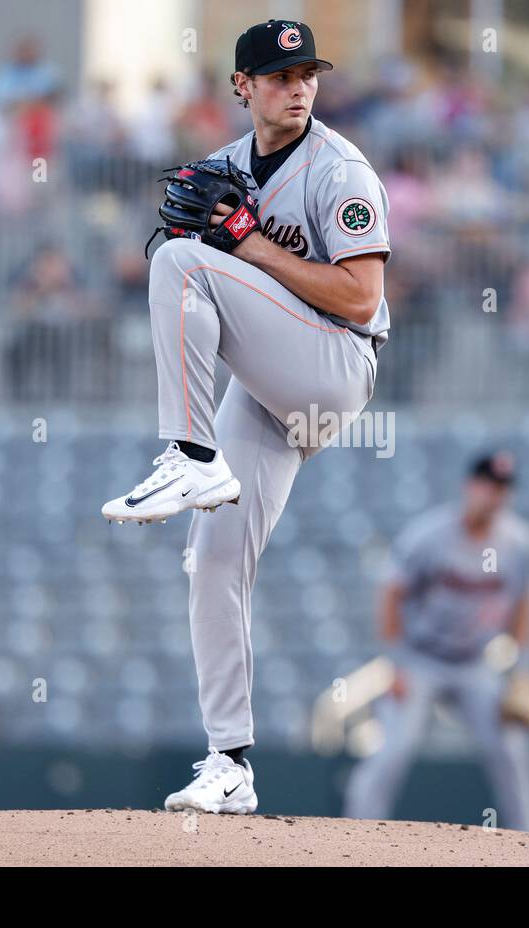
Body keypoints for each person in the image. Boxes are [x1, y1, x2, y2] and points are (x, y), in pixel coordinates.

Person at [101, 20, 388, 814]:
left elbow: (362, 298)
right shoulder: (224, 166)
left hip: (334, 367)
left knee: (183, 263)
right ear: (243, 85)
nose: (297, 86)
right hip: (268, 385)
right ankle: (230, 762)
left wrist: (249, 246)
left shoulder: (341, 171)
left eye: (308, 73)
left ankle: (190, 454)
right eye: (278, 74)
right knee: (213, 561)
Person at [343, 453, 529, 834]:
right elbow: (390, 594)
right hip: (421, 659)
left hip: (474, 663)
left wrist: (521, 670)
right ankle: (357, 833)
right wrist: (396, 663)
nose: (494, 494)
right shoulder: (430, 535)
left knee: (510, 749)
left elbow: (524, 606)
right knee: (395, 747)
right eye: (488, 484)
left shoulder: (518, 542)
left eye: (502, 488)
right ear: (469, 486)